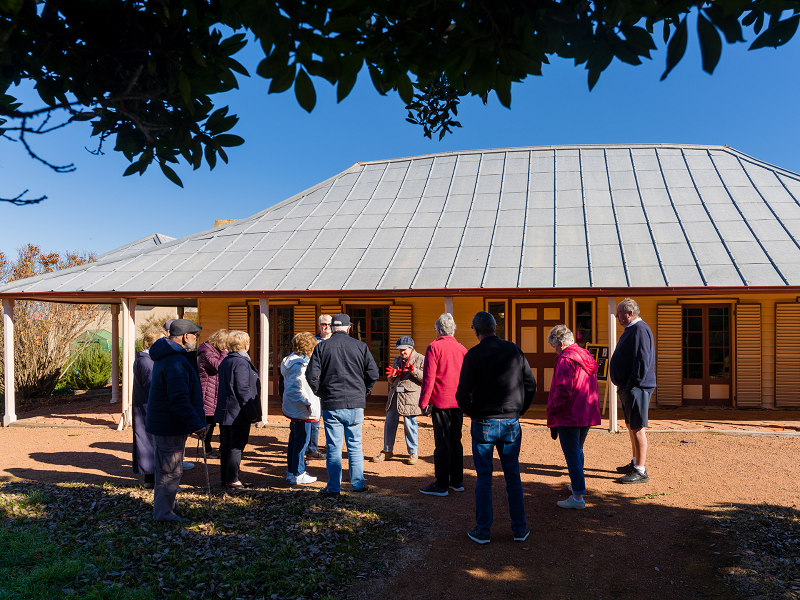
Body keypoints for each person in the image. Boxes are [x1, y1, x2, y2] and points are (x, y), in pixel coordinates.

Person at [456, 311, 536, 544]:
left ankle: (483, 531)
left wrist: (470, 411)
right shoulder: (514, 350)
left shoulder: (474, 354)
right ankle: (519, 530)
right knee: (513, 476)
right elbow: (530, 383)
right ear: (495, 328)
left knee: (484, 478)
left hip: (483, 421)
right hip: (510, 421)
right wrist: (520, 410)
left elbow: (462, 393)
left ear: (476, 330)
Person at [306, 313, 379, 496]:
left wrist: (320, 392)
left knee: (333, 447)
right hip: (355, 403)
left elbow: (311, 375)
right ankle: (358, 484)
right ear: (349, 328)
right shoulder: (360, 346)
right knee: (355, 445)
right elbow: (373, 374)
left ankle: (333, 487)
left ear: (331, 327)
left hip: (332, 403)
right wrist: (364, 391)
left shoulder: (322, 347)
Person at [145, 319, 207, 522]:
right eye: (194, 335)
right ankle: (164, 513)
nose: (196, 339)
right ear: (185, 336)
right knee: (169, 471)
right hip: (169, 423)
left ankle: (168, 505)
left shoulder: (172, 356)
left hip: (168, 422)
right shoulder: (175, 361)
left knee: (170, 468)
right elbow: (179, 399)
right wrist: (197, 423)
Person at [546, 325, 601, 509]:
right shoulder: (585, 355)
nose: (554, 350)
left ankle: (578, 497)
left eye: (554, 346)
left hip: (569, 414)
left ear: (561, 343)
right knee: (577, 450)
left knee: (572, 453)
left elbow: (562, 390)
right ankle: (575, 485)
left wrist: (552, 408)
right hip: (586, 411)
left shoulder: (565, 359)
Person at [418, 313, 468, 496]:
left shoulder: (434, 347)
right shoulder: (462, 349)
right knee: (456, 441)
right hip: (458, 403)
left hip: (441, 401)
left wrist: (424, 402)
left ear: (438, 329)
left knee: (442, 443)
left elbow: (429, 378)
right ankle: (457, 481)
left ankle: (441, 484)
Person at [609, 298, 656, 484]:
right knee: (631, 426)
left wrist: (631, 386)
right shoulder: (632, 330)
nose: (617, 316)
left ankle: (640, 471)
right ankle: (636, 462)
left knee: (637, 428)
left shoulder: (639, 330)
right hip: (630, 388)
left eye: (620, 313)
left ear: (629, 313)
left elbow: (642, 361)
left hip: (637, 388)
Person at [215, 330, 262, 490]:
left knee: (227, 445)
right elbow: (243, 390)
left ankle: (226, 479)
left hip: (226, 411)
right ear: (245, 345)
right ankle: (233, 479)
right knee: (236, 446)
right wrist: (252, 414)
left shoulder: (226, 361)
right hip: (238, 413)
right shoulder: (241, 362)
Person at [373, 336, 424, 465]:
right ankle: (387, 450)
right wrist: (393, 376)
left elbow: (426, 378)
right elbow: (391, 380)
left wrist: (414, 371)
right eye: (399, 350)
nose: (401, 352)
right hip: (395, 394)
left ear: (411, 348)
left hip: (410, 396)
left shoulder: (420, 359)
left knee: (409, 423)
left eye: (404, 349)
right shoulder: (397, 360)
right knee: (389, 422)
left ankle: (413, 452)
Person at [281, 332, 321, 485]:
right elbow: (294, 389)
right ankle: (298, 473)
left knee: (295, 440)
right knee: (301, 441)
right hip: (302, 410)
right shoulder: (299, 364)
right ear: (306, 349)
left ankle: (292, 472)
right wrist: (306, 403)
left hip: (297, 409)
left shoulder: (292, 361)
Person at [132, 327, 165, 488]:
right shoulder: (146, 361)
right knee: (148, 442)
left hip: (147, 406)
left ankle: (151, 477)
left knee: (149, 441)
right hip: (148, 407)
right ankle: (150, 478)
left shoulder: (146, 359)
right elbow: (153, 385)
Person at [197, 329, 229, 459]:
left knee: (220, 422)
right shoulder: (207, 353)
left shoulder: (212, 351)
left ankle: (223, 448)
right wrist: (225, 352)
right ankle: (207, 449)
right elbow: (219, 366)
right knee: (209, 423)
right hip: (208, 393)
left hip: (215, 392)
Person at [306, 314, 333, 461]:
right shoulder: (313, 342)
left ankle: (331, 446)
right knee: (315, 417)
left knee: (332, 418)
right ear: (319, 325)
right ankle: (312, 448)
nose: (327, 327)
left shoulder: (337, 341)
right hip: (316, 384)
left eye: (329, 324)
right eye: (324, 324)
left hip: (331, 385)